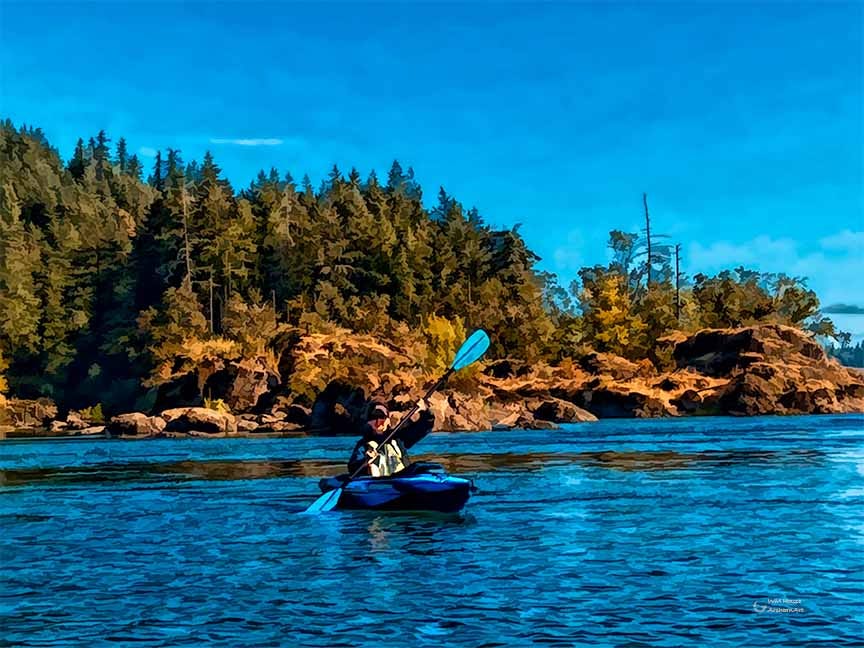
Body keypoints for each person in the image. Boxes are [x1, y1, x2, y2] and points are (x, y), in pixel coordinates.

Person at [347, 399, 434, 477]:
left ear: (388, 419)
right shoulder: (363, 444)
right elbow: (352, 468)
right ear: (369, 422)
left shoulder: (399, 438)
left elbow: (425, 426)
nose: (378, 422)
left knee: (422, 466)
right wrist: (365, 462)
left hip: (402, 482)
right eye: (374, 418)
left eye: (382, 417)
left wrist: (425, 410)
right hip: (378, 487)